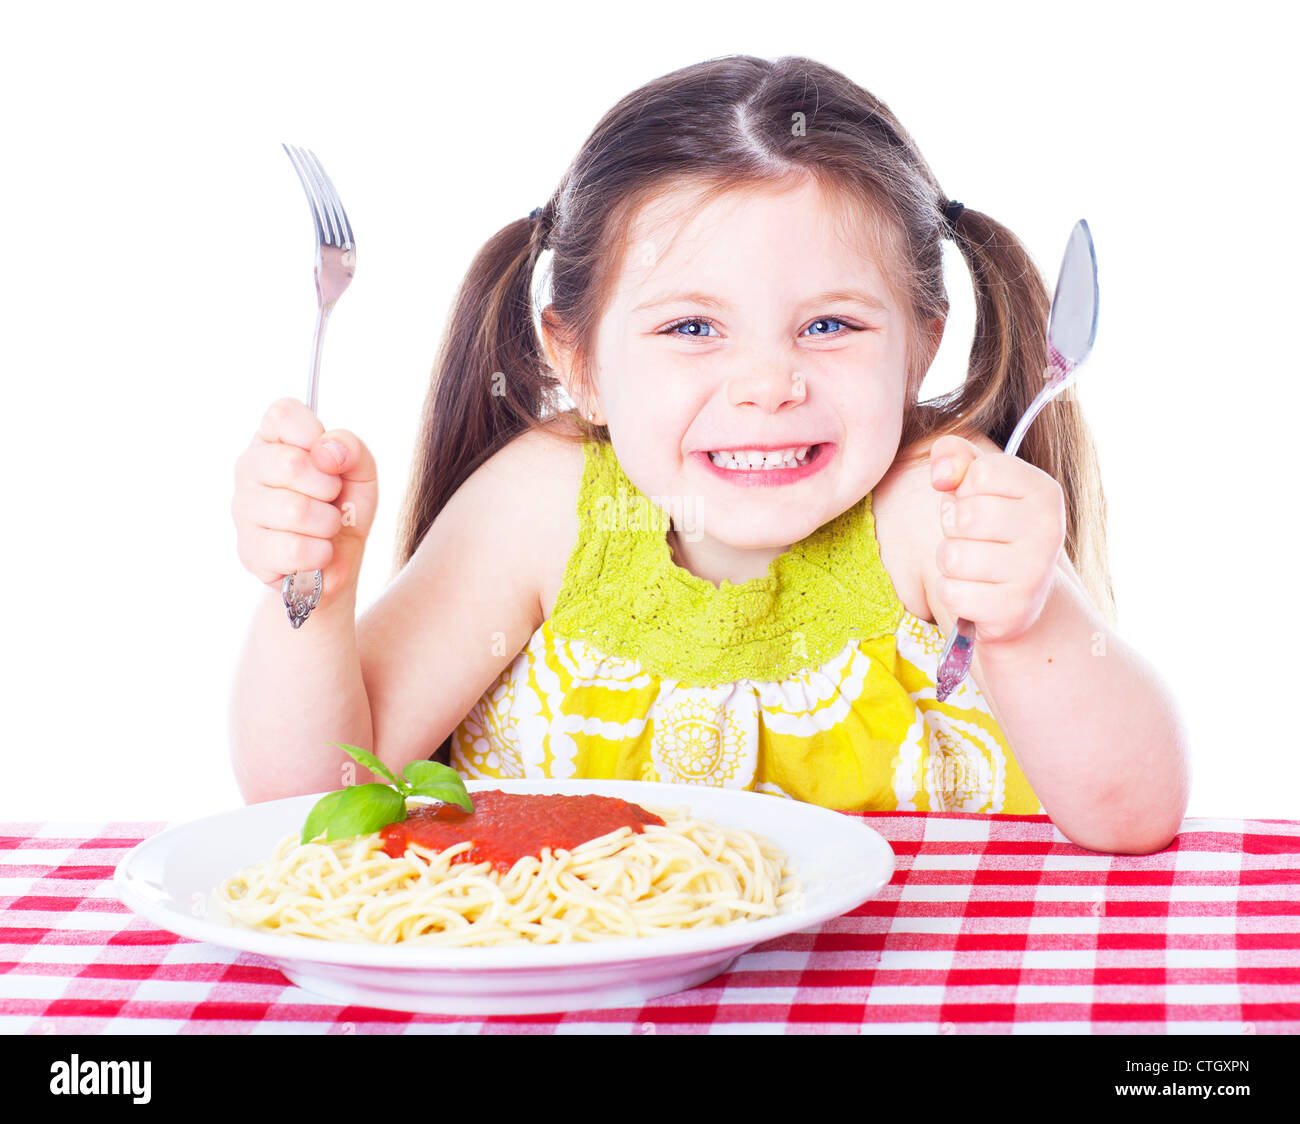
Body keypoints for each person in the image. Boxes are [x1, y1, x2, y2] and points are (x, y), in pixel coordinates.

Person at [230, 55, 1188, 854]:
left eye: (829, 324)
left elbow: (1132, 816)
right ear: (581, 360)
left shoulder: (941, 508)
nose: (766, 384)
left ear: (921, 345)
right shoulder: (541, 511)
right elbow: (313, 805)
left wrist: (1030, 615)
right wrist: (307, 595)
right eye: (692, 326)